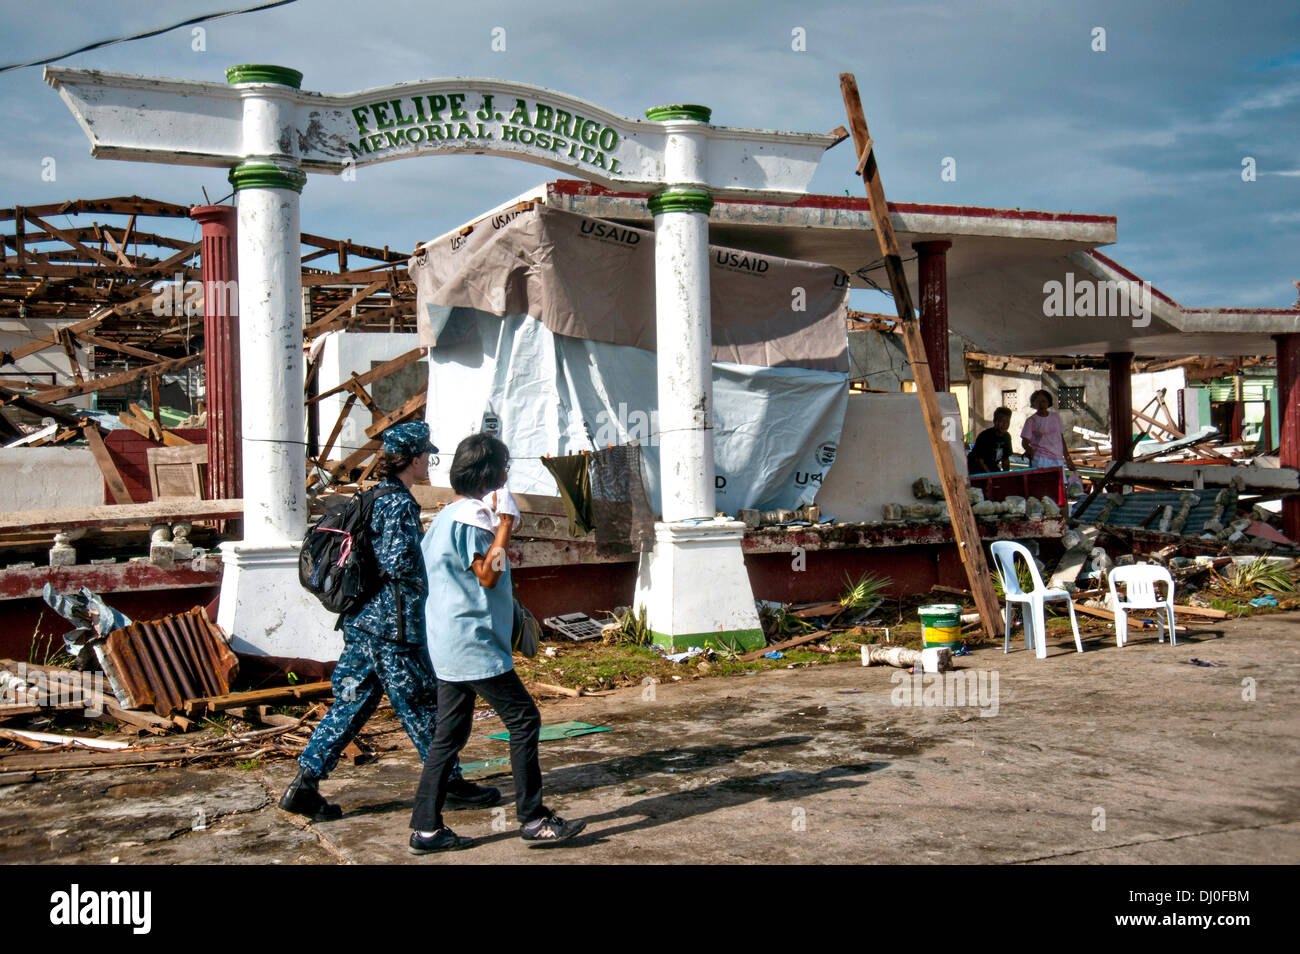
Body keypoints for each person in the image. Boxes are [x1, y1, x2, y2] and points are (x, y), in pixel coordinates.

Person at [280, 422, 499, 821]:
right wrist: (434, 580)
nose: (427, 463)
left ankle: (304, 782)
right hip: (393, 629)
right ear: (413, 458)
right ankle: (448, 783)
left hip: (361, 622)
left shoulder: (372, 495)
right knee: (423, 706)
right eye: (425, 457)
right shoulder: (398, 503)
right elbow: (400, 563)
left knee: (351, 704)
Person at [409, 433, 585, 853]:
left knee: (448, 736)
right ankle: (534, 818)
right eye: (505, 467)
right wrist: (504, 524)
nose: (508, 475)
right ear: (491, 475)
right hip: (474, 643)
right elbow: (488, 574)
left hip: (449, 641)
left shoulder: (445, 518)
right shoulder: (472, 518)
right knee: (525, 721)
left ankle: (426, 829)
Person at [1020, 389, 1082, 489]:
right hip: (1040, 459)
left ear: (1048, 403)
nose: (1041, 404)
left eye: (1043, 401)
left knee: (1060, 488)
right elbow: (1025, 441)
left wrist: (1068, 458)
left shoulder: (1055, 417)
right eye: (1038, 401)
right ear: (1033, 403)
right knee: (1042, 487)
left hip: (1057, 458)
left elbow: (1061, 439)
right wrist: (1028, 449)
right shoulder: (1031, 420)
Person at [967, 406, 1014, 474]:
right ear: (995, 421)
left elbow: (1005, 459)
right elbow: (980, 460)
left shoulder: (1007, 437)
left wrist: (1006, 475)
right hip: (975, 469)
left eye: (1007, 421)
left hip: (992, 467)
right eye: (1002, 421)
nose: (1005, 424)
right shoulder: (985, 436)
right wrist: (989, 476)